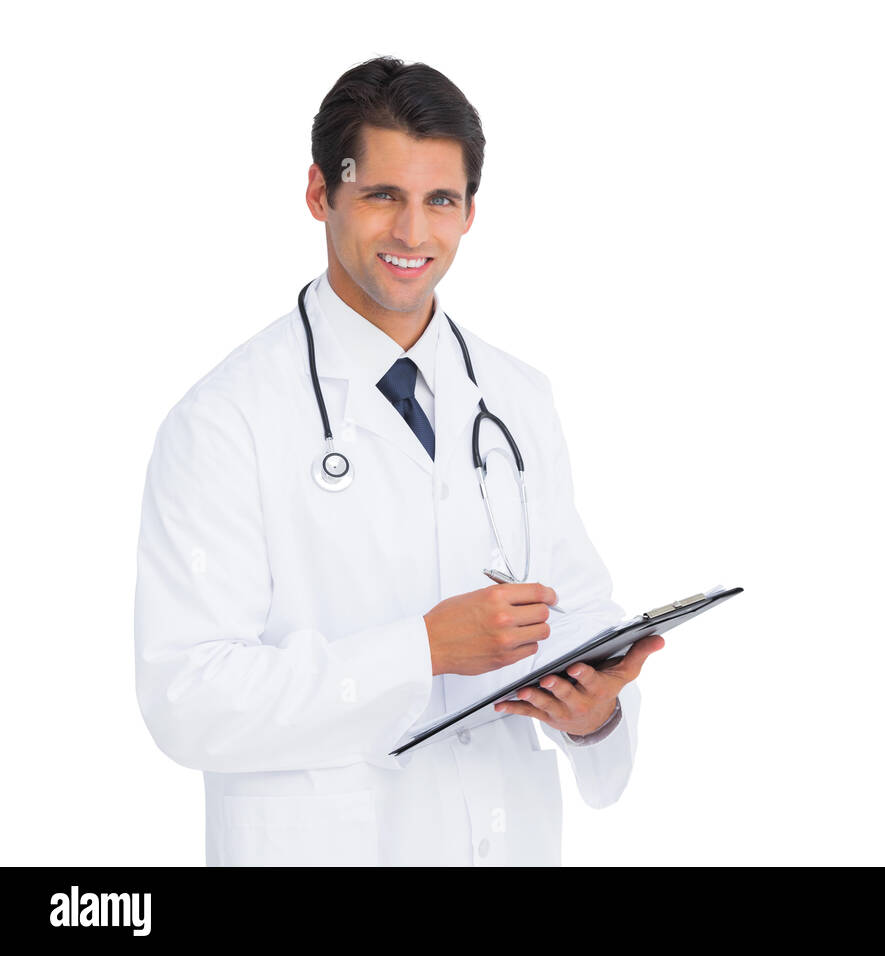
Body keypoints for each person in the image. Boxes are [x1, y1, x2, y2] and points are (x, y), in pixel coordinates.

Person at [133, 56, 663, 866]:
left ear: (470, 212)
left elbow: (581, 614)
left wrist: (594, 715)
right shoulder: (223, 422)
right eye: (383, 196)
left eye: (439, 201)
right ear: (321, 194)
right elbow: (186, 699)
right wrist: (422, 650)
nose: (414, 234)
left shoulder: (519, 397)